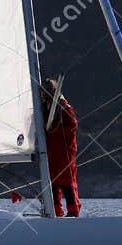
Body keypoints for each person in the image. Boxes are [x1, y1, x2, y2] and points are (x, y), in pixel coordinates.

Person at [42, 77, 81, 218]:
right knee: (52, 183)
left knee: (66, 182)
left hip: (64, 152)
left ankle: (73, 210)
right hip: (51, 151)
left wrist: (53, 130)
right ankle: (56, 211)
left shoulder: (65, 107)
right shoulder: (45, 108)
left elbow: (72, 126)